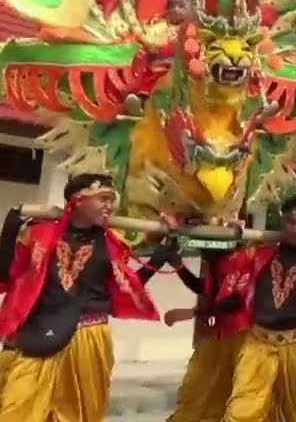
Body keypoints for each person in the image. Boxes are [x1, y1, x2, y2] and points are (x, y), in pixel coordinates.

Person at [0, 174, 164, 420]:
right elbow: (7, 275)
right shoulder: (37, 234)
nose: (109, 206)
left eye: (112, 200)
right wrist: (11, 226)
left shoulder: (112, 243)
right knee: (17, 409)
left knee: (79, 414)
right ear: (77, 200)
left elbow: (128, 286)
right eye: (103, 199)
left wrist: (162, 255)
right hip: (40, 333)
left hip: (89, 337)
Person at [214, 192, 296, 422]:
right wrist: (228, 236)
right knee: (240, 414)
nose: (294, 228)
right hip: (256, 346)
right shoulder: (258, 254)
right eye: (290, 221)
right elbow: (224, 270)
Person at [164, 247, 245, 422]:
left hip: (241, 338)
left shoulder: (242, 259)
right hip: (219, 335)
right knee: (199, 389)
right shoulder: (214, 263)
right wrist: (179, 266)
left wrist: (191, 313)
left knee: (234, 395)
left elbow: (237, 300)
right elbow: (204, 288)